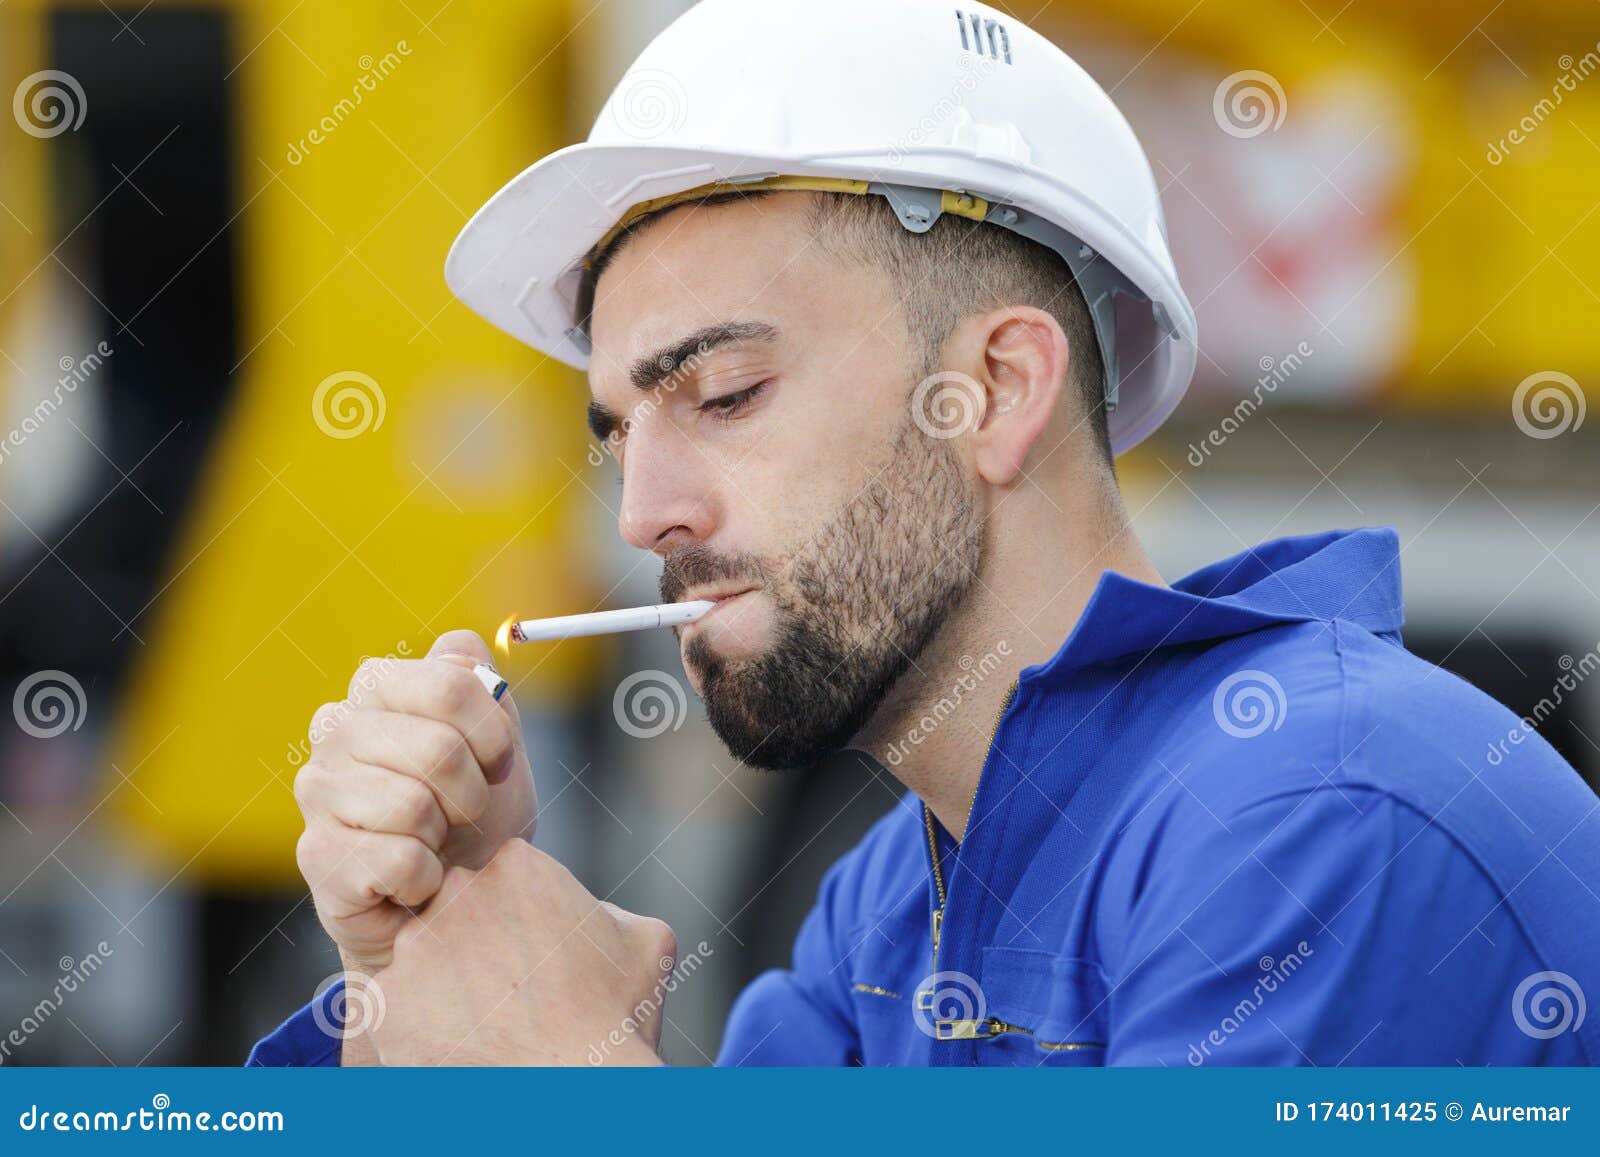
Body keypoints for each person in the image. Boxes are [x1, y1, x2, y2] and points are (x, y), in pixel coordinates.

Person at [248, 0, 1600, 1066]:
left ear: (1000, 391)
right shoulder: (894, 910)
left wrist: (567, 1072)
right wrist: (431, 971)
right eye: (616, 432)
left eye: (724, 394)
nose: (646, 507)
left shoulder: (1326, 826)